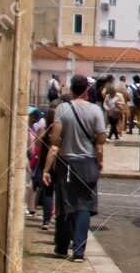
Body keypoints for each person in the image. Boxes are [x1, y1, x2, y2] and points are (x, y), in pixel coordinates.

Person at [42, 73, 105, 261]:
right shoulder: (96, 110)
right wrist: (99, 162)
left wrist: (46, 169)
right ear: (87, 89)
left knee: (65, 204)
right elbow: (100, 141)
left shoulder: (62, 109)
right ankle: (79, 251)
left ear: (71, 88)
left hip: (66, 162)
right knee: (84, 205)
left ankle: (61, 247)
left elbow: (55, 142)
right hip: (88, 162)